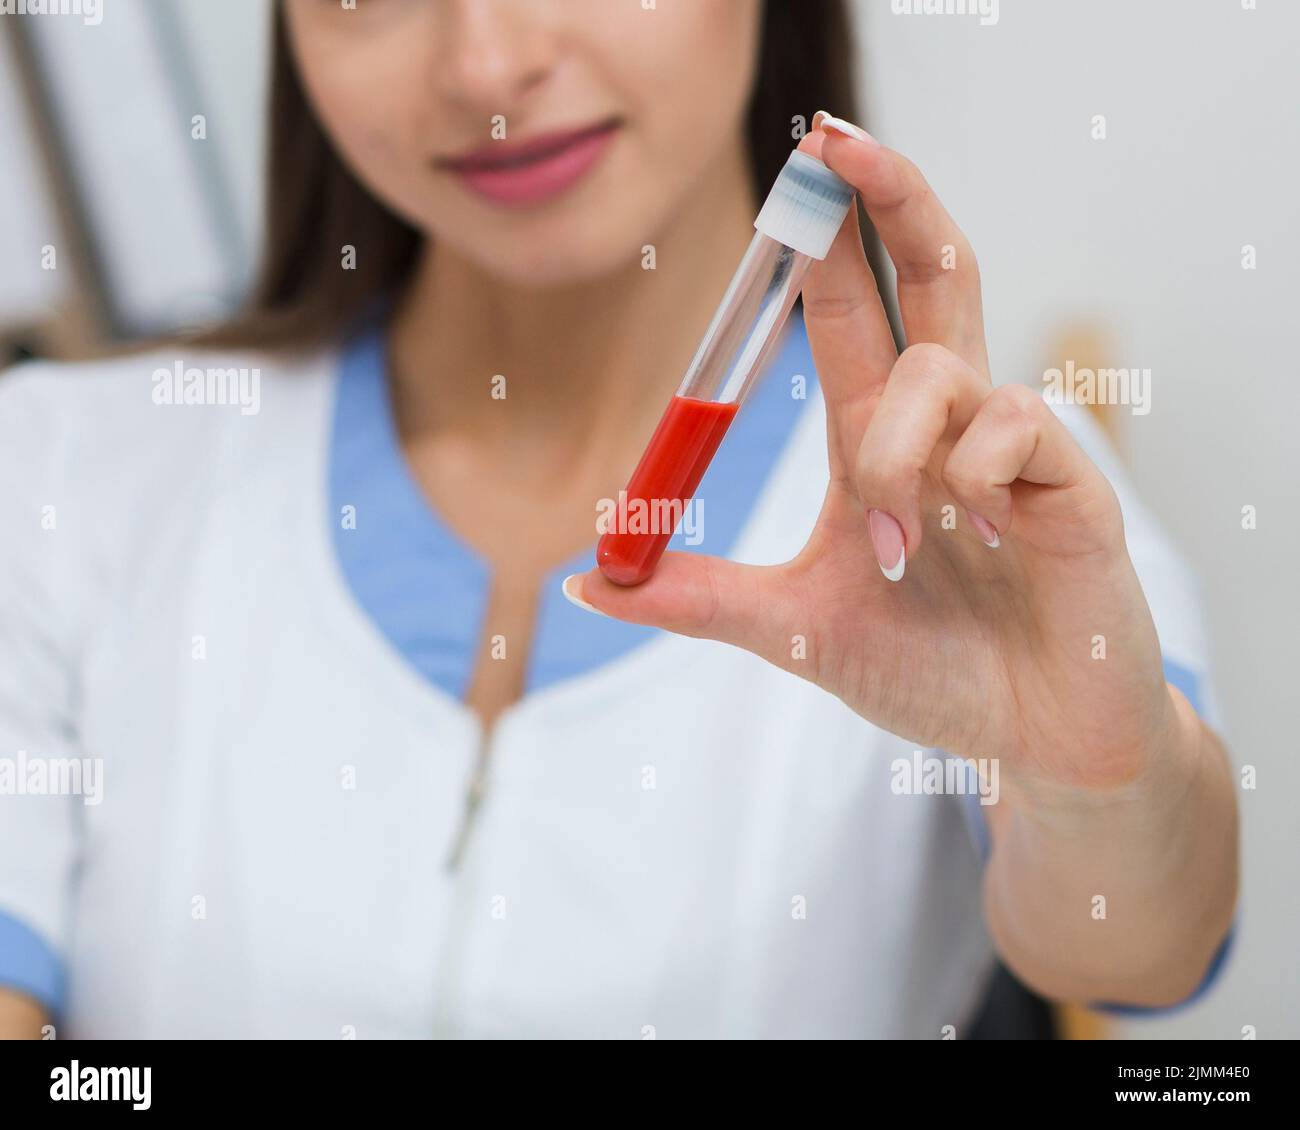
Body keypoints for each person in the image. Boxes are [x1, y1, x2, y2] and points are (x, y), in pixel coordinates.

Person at [0, 0, 1235, 1038]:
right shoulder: (61, 472)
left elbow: (1133, 944)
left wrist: (1091, 785)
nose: (488, 66)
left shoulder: (985, 523)